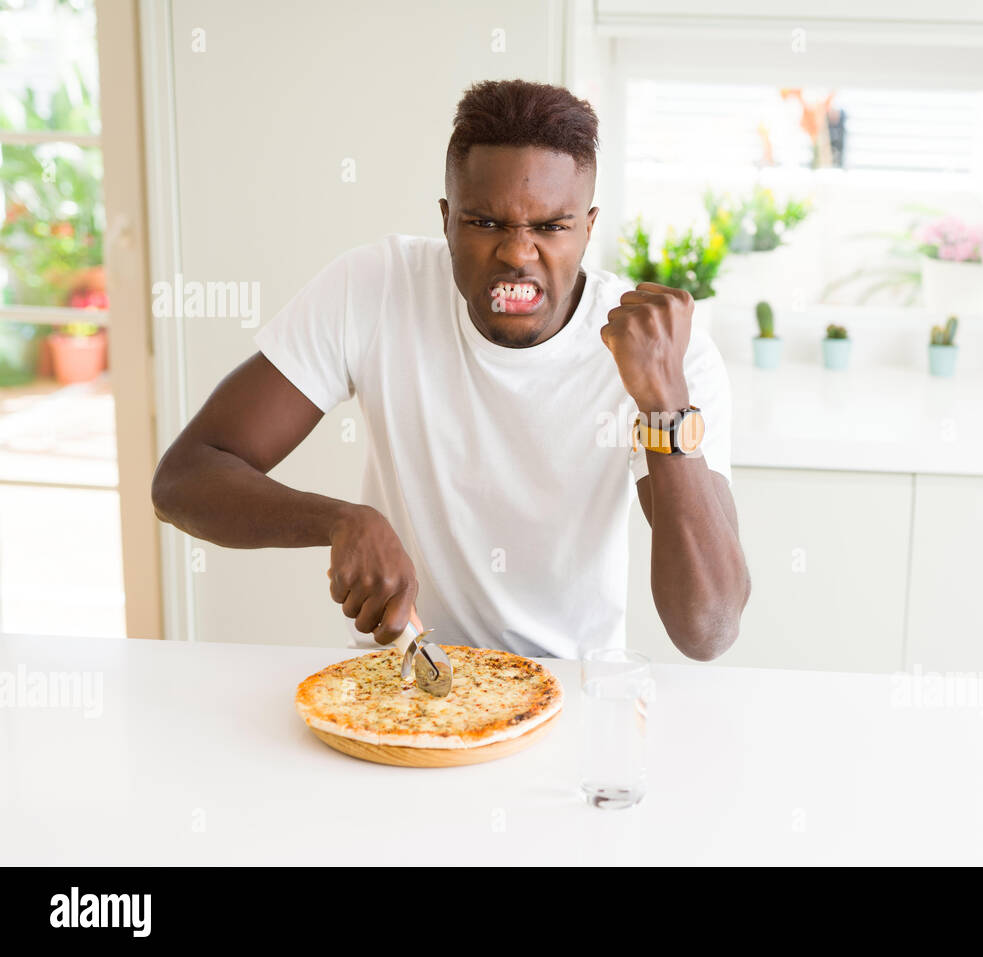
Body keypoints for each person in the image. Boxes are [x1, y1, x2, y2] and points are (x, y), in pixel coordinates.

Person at [151, 78, 750, 661]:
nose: (518, 253)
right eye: (485, 223)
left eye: (550, 226)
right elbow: (184, 479)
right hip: (406, 680)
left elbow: (708, 629)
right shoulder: (377, 287)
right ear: (446, 219)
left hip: (568, 692)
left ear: (588, 229)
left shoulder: (667, 353)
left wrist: (664, 404)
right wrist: (338, 520)